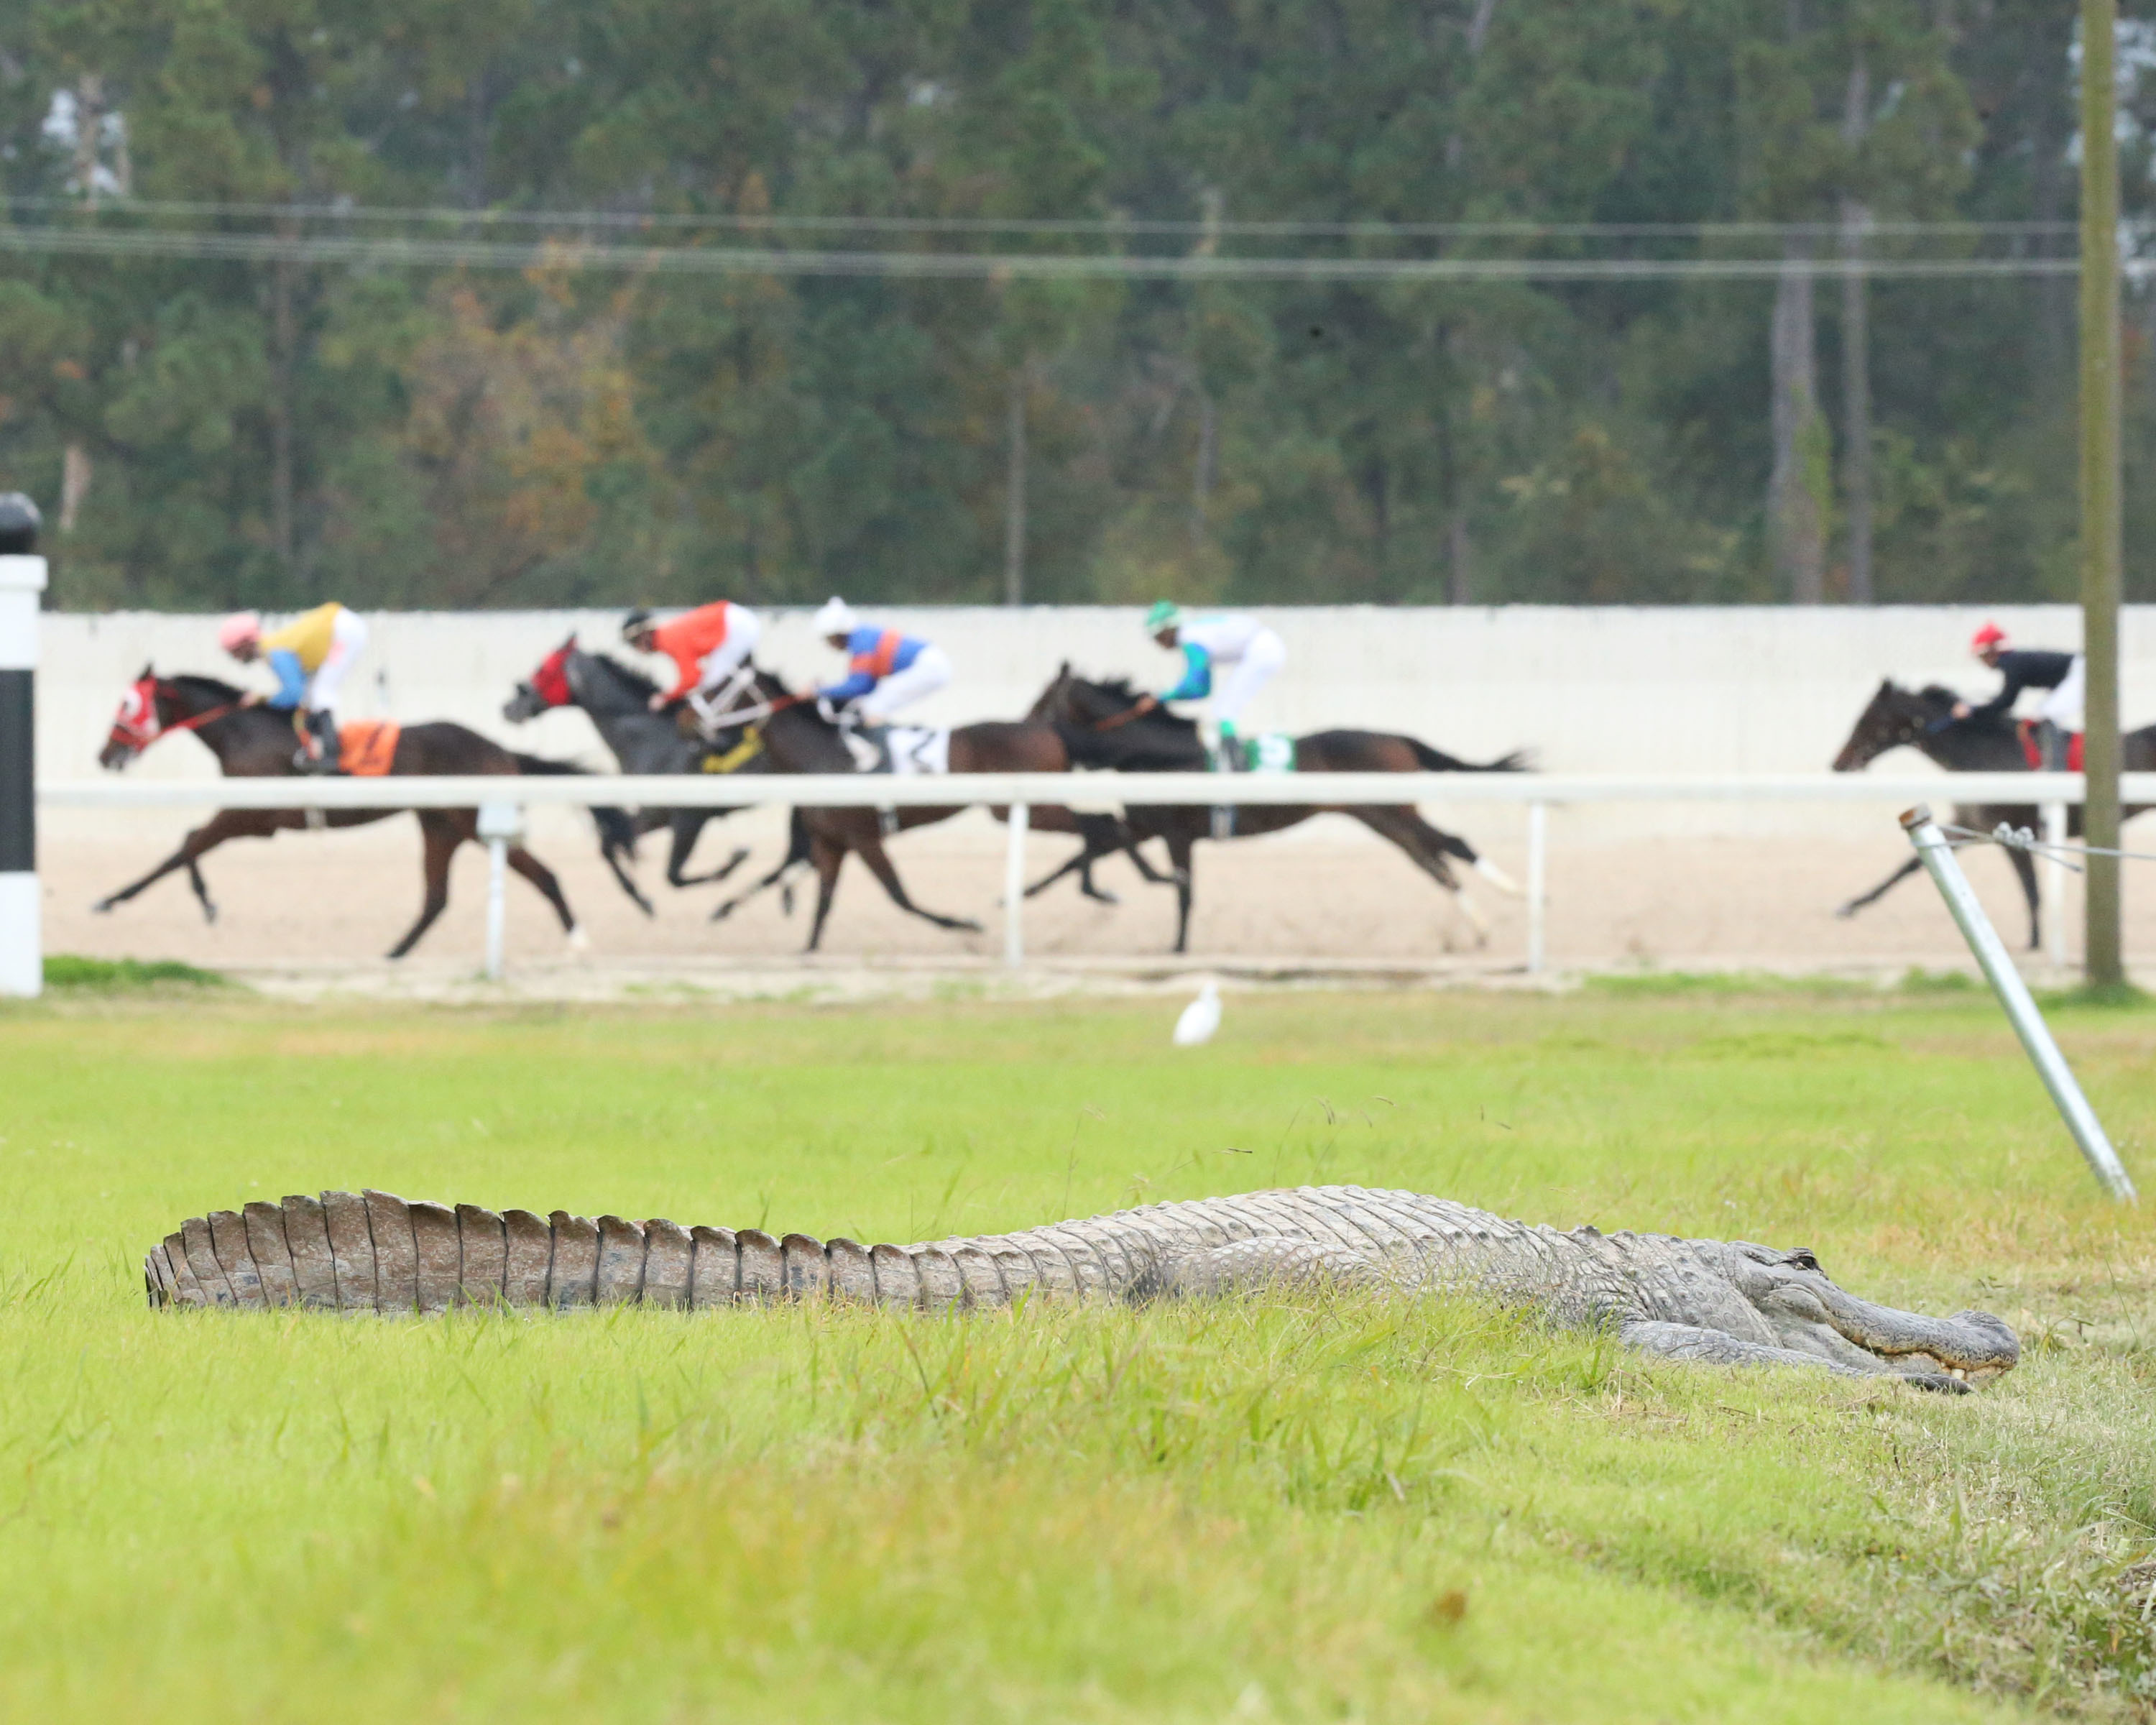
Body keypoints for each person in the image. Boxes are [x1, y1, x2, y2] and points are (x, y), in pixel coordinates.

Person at [1125, 600, 1286, 768]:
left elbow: (1193, 685)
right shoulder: (1193, 634)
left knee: (1225, 710)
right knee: (1222, 709)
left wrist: (1160, 698)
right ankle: (1234, 762)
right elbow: (1202, 690)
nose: (1158, 642)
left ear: (1168, 630)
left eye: (1158, 637)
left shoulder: (1190, 639)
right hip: (1264, 646)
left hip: (1263, 650)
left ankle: (1237, 766)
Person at [218, 602, 369, 773]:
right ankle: (320, 750)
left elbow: (294, 693)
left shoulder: (274, 651)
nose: (236, 658)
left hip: (345, 631)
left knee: (321, 693)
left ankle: (331, 757)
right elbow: (299, 691)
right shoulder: (273, 647)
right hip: (342, 625)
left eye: (234, 652)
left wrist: (260, 700)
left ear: (246, 643)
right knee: (313, 694)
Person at [1953, 622, 2083, 768]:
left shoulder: (2012, 665)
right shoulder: (2013, 661)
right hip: (2078, 670)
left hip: (2081, 671)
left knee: (2046, 716)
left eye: (1982, 656)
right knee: (2042, 714)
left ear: (1992, 652)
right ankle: (2056, 765)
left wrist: (1972, 711)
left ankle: (2056, 769)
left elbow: (2007, 702)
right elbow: (2005, 699)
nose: (1982, 661)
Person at [813, 597, 952, 724]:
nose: (829, 644)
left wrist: (818, 692)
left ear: (838, 634)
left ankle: (882, 750)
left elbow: (860, 686)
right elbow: (868, 687)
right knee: (873, 702)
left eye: (829, 639)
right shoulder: (861, 636)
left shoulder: (861, 643)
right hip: (931, 662)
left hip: (928, 666)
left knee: (873, 706)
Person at [622, 601, 763, 722]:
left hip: (736, 627)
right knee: (711, 683)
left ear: (645, 635)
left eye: (634, 642)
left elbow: (691, 679)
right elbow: (695, 675)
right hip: (735, 620)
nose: (636, 648)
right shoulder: (667, 636)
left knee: (711, 686)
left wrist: (665, 698)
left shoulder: (668, 639)